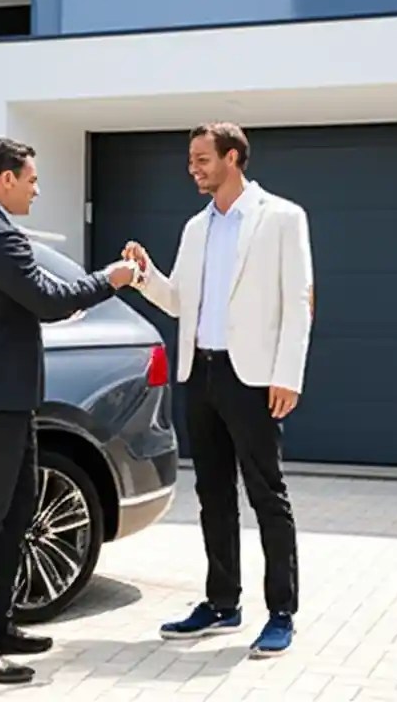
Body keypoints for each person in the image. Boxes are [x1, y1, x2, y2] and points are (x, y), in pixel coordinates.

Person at [0, 136, 137, 684]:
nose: (36, 188)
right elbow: (51, 299)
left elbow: (41, 293)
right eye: (30, 179)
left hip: (11, 399)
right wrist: (111, 279)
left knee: (16, 507)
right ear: (5, 179)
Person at [122, 122, 314, 658]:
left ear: (233, 158)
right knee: (212, 495)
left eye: (202, 158)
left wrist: (287, 376)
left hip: (252, 378)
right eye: (190, 159)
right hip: (200, 375)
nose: (193, 168)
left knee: (266, 495)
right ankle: (222, 603)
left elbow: (299, 300)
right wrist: (143, 274)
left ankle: (281, 612)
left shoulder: (281, 217)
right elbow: (178, 300)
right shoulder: (194, 228)